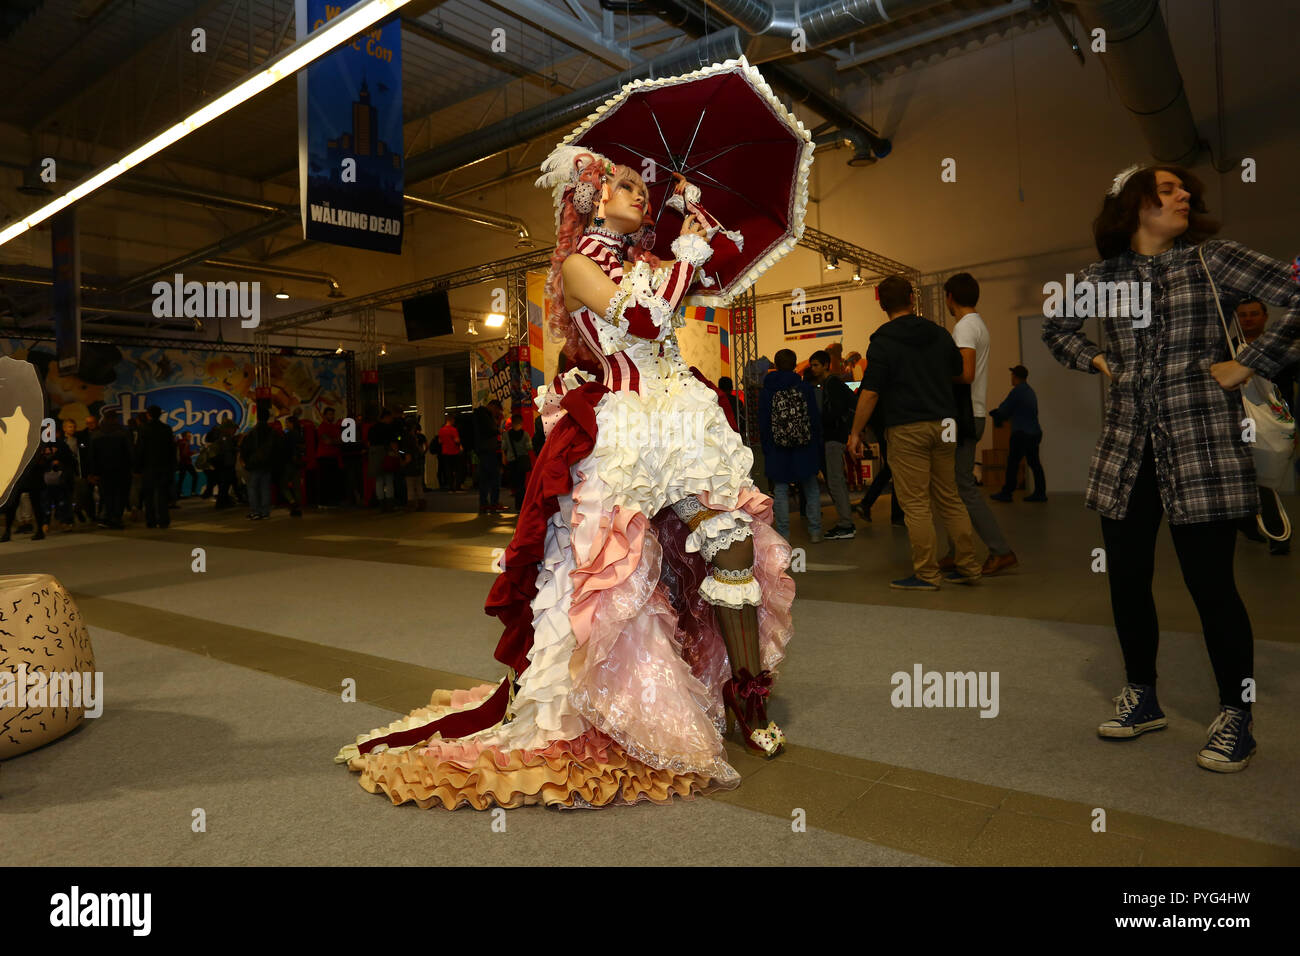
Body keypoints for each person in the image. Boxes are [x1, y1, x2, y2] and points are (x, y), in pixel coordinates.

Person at [337, 143, 796, 810]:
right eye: (628, 185)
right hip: (628, 430)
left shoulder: (650, 260)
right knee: (622, 577)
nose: (642, 194)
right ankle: (626, 705)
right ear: (594, 197)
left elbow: (720, 263)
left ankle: (747, 698)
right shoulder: (581, 266)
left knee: (730, 545)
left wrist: (699, 221)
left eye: (647, 187)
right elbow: (641, 319)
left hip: (684, 420)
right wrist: (685, 261)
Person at [1043, 163, 1300, 773]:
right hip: (1127, 452)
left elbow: (1295, 289)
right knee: (1126, 581)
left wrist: (1250, 363)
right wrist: (1100, 360)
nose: (1185, 194)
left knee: (1212, 588)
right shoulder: (1102, 278)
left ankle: (1237, 715)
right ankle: (1143, 696)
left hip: (1203, 448)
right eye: (1168, 189)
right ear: (1134, 204)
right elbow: (1057, 328)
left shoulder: (1214, 260)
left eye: (1186, 189)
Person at [847, 275, 981, 590]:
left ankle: (927, 574)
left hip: (908, 427)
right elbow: (960, 373)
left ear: (882, 303)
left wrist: (855, 432)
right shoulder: (938, 332)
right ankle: (969, 566)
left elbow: (870, 393)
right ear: (912, 299)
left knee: (917, 503)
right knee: (950, 496)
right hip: (946, 425)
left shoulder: (883, 341)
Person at [937, 274, 1018, 575]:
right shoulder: (978, 324)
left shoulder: (965, 327)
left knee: (962, 486)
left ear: (949, 296)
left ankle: (1000, 550)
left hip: (965, 415)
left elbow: (966, 373)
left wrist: (935, 376)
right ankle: (956, 551)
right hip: (974, 413)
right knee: (954, 486)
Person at [1231, 298, 1295, 555]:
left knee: (1265, 479)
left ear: (1265, 316)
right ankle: (1251, 526)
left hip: (1271, 421)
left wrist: (1289, 424)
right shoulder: (1228, 348)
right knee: (1243, 478)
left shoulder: (1279, 348)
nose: (1248, 319)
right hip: (1237, 421)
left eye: (1253, 314)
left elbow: (1287, 388)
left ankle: (1277, 534)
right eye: (1243, 315)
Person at [760, 349, 823, 542]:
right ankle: (814, 531)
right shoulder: (805, 388)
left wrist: (767, 448)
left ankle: (784, 534)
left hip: (778, 449)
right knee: (811, 488)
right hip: (804, 447)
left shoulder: (767, 390)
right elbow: (814, 419)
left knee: (780, 490)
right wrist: (816, 447)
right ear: (795, 365)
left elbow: (763, 421)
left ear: (775, 366)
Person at [808, 349, 857, 539]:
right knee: (835, 481)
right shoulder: (829, 383)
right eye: (811, 365)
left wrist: (822, 420)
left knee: (836, 481)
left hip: (834, 438)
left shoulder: (832, 383)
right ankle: (845, 522)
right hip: (833, 437)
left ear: (826, 365)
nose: (812, 368)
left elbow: (836, 410)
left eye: (816, 365)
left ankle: (846, 524)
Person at [989, 365, 1047, 502]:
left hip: (1022, 433)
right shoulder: (1029, 391)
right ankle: (1040, 493)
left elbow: (1004, 410)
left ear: (1015, 376)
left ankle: (1007, 493)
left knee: (1012, 463)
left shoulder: (1017, 391)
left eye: (1012, 375)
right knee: (1034, 463)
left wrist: (995, 413)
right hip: (1034, 432)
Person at [136, 405, 177, 529]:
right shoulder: (166, 429)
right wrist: (173, 465)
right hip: (164, 466)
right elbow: (172, 449)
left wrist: (137, 467)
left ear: (149, 414)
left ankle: (151, 520)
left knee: (149, 495)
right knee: (162, 494)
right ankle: (164, 520)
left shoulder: (144, 429)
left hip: (149, 466)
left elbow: (140, 449)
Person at [90, 409, 133, 529]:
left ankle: (107, 517)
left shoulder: (96, 434)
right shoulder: (123, 433)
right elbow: (130, 453)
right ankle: (117, 518)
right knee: (120, 495)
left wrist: (94, 473)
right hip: (121, 470)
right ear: (115, 419)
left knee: (107, 495)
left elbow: (92, 456)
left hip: (104, 471)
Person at [239, 410, 279, 519]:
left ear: (257, 418)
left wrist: (246, 461)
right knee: (265, 488)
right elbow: (277, 449)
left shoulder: (252, 432)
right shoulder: (272, 432)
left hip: (254, 464)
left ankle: (255, 511)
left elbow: (245, 448)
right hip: (267, 464)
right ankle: (265, 512)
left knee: (252, 488)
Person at [472, 399, 504, 514]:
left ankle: (484, 504)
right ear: (492, 407)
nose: (497, 413)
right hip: (488, 450)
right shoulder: (484, 416)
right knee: (494, 477)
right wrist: (497, 429)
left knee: (484, 479)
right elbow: (491, 430)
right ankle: (494, 503)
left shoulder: (479, 415)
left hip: (482, 451)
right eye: (497, 410)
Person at [366, 407, 400, 512]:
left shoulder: (372, 428)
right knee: (389, 480)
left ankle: (381, 505)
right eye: (390, 418)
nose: (392, 420)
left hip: (374, 455)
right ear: (386, 417)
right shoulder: (389, 428)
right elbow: (394, 442)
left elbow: (368, 443)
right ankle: (390, 505)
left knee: (379, 481)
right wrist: (397, 452)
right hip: (386, 454)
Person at [500, 412, 533, 512]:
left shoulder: (506, 434)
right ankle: (521, 505)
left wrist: (504, 457)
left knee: (515, 483)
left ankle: (517, 505)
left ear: (512, 423)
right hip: (522, 461)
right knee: (521, 484)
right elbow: (529, 447)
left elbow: (503, 447)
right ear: (521, 423)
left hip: (512, 461)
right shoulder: (525, 434)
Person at [316, 407, 343, 506]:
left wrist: (334, 440)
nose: (331, 416)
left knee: (333, 481)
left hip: (334, 457)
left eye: (332, 414)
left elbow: (339, 440)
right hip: (324, 457)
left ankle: (332, 501)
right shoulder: (322, 427)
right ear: (325, 415)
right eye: (329, 414)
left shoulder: (335, 427)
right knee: (324, 480)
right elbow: (328, 441)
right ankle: (323, 502)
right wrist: (336, 440)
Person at [399, 416, 427, 510]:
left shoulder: (405, 439)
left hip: (410, 466)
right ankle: (421, 503)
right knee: (419, 486)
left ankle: (411, 504)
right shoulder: (416, 438)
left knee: (410, 486)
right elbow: (420, 451)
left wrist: (402, 463)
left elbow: (407, 456)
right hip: (417, 464)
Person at [435, 413, 461, 491]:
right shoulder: (453, 429)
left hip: (445, 452)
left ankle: (450, 486)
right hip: (454, 451)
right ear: (452, 420)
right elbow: (457, 440)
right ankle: (456, 486)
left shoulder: (441, 430)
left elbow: (440, 441)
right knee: (457, 469)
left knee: (448, 470)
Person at [175, 431, 199, 498]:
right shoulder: (185, 443)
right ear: (185, 436)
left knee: (181, 478)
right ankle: (193, 492)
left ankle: (178, 493)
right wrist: (192, 453)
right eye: (189, 436)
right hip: (186, 463)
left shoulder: (179, 442)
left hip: (181, 463)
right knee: (195, 475)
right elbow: (184, 454)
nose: (190, 437)